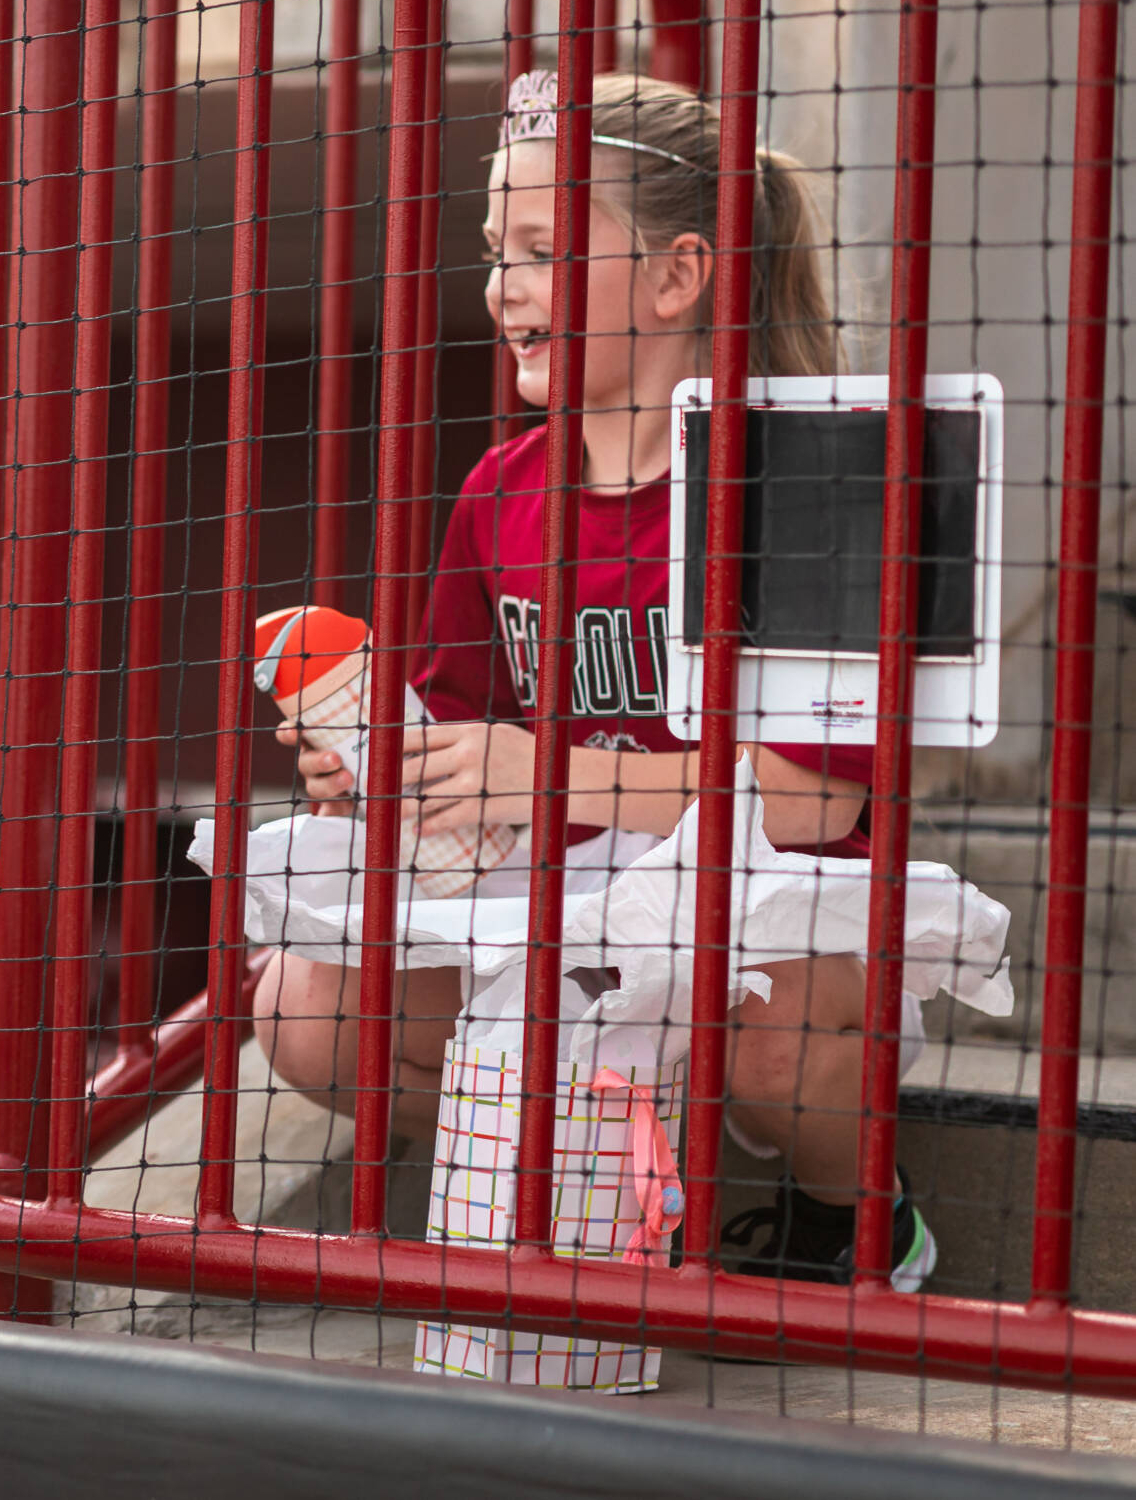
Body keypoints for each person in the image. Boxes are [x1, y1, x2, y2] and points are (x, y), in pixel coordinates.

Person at [250, 72, 935, 1291]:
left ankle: (862, 1212)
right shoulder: (499, 489)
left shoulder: (801, 481)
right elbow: (456, 727)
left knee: (776, 1049)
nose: (502, 286)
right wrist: (377, 763)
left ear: (679, 275)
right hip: (558, 901)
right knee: (301, 1007)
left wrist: (544, 766)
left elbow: (816, 803)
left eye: (545, 249)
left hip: (755, 905)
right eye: (492, 251)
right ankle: (598, 1177)